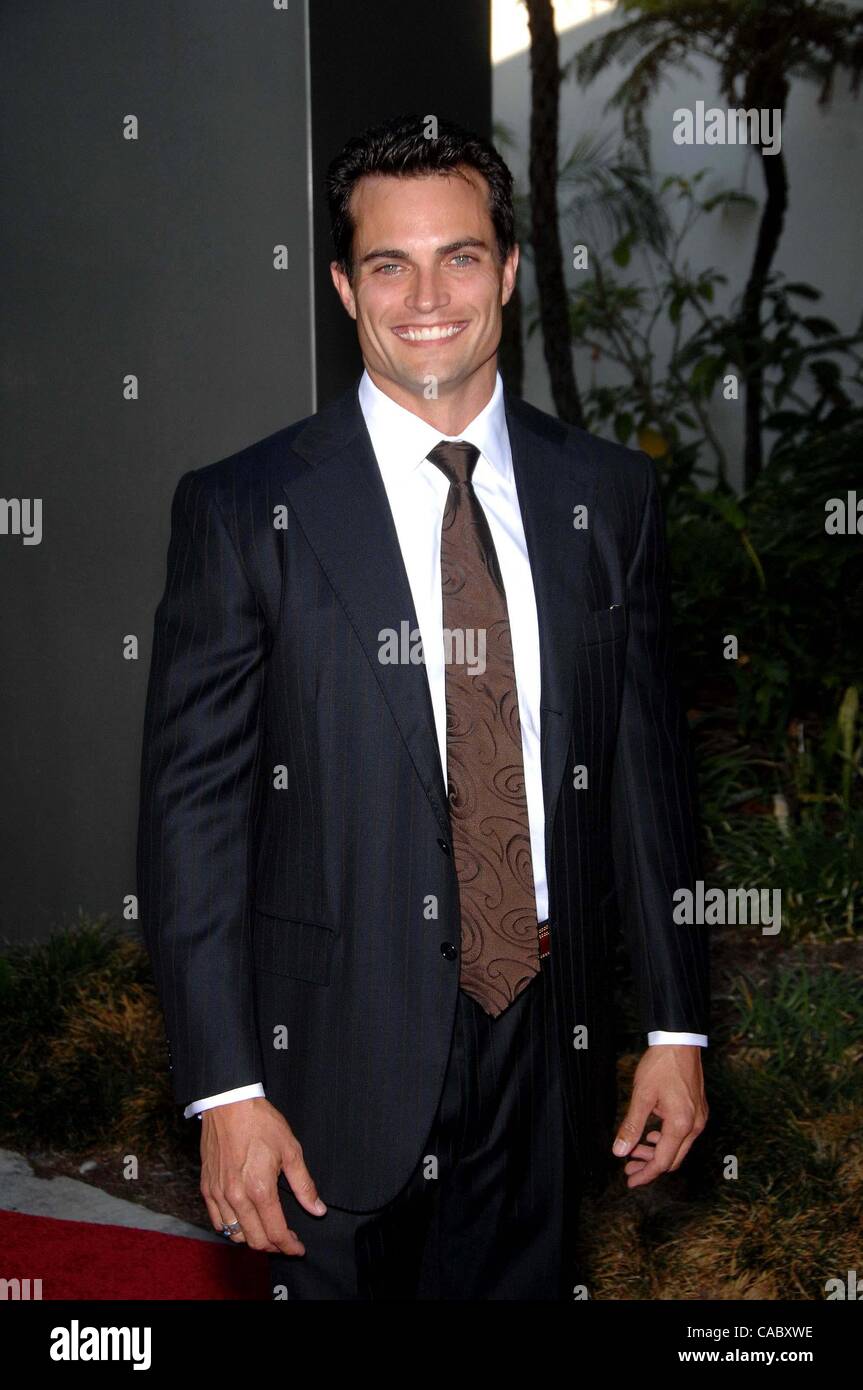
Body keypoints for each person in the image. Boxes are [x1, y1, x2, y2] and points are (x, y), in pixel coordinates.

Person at [137, 113, 709, 1301]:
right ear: (344, 288)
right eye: (387, 264)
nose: (426, 295)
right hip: (325, 1072)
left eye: (458, 255)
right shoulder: (244, 510)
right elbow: (189, 823)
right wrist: (226, 1091)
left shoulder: (607, 493)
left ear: (504, 270)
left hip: (547, 1060)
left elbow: (650, 779)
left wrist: (674, 1026)